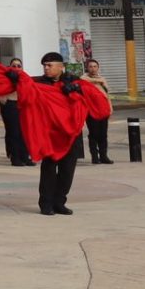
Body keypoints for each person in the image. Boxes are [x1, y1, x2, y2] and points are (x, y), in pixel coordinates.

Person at [16, 54, 91, 216]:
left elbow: (90, 97)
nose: (46, 68)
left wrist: (77, 90)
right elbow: (23, 88)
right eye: (45, 65)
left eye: (50, 65)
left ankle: (59, 202)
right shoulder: (38, 83)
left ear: (61, 66)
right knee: (49, 170)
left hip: (71, 134)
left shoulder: (73, 81)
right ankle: (46, 203)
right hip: (51, 135)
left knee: (67, 171)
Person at [81, 58, 113, 164]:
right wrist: (98, 80)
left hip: (103, 110)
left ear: (98, 67)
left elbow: (107, 95)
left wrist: (110, 108)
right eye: (90, 66)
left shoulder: (102, 79)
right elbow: (83, 80)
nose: (93, 69)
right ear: (87, 68)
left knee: (103, 134)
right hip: (91, 111)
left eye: (95, 66)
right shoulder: (84, 78)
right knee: (94, 134)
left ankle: (104, 156)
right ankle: (95, 157)